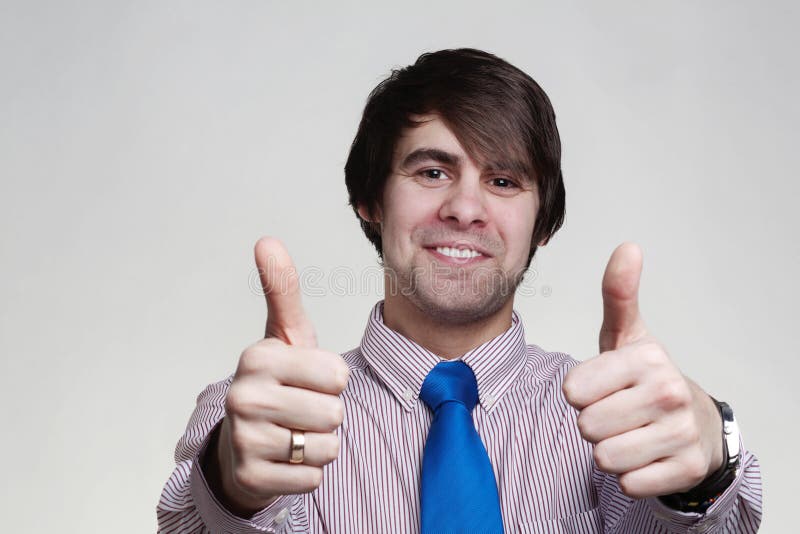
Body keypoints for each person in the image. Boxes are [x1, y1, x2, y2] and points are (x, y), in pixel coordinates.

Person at [157, 48, 762, 533]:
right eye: (432, 171)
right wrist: (234, 489)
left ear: (543, 226)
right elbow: (193, 520)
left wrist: (710, 458)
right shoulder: (261, 413)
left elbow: (709, 522)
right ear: (369, 199)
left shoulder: (622, 419)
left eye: (502, 179)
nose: (465, 208)